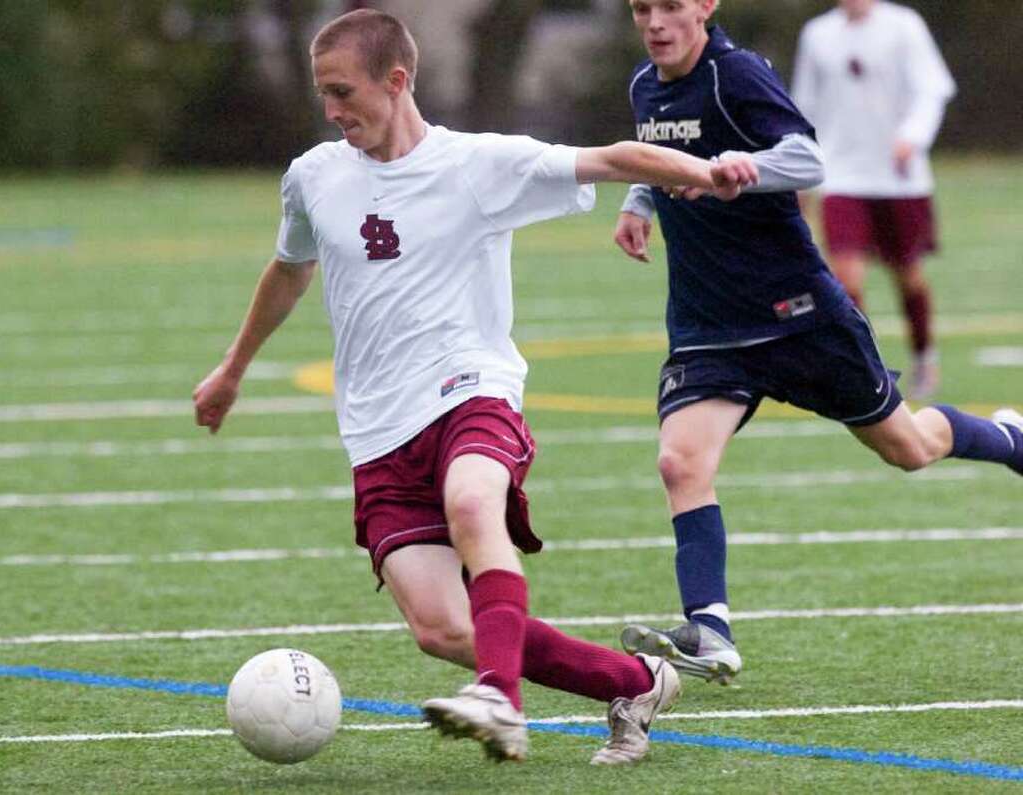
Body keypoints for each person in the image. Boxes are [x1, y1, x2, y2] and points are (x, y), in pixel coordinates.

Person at [193, 9, 747, 764]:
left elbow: (612, 158)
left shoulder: (477, 165)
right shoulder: (314, 177)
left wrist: (707, 174)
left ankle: (500, 699)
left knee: (471, 501)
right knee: (443, 629)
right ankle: (636, 680)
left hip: (471, 389)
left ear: (396, 81)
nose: (330, 110)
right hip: (378, 429)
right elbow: (290, 268)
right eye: (322, 94)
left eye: (342, 91)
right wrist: (233, 367)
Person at [611, 0, 1022, 686]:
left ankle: (1011, 439)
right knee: (680, 463)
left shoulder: (736, 76)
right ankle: (710, 629)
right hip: (709, 325)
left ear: (706, 5)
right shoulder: (643, 85)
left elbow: (805, 158)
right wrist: (639, 203)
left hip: (797, 314)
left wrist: (744, 167)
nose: (654, 21)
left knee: (910, 449)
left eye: (670, 6)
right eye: (640, 7)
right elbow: (660, 156)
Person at [792, 0, 956, 399]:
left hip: (900, 180)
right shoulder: (817, 35)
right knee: (845, 279)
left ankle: (923, 356)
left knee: (908, 275)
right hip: (841, 176)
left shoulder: (905, 26)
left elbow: (933, 90)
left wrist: (912, 137)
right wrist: (799, 177)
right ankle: (870, 370)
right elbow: (802, 108)